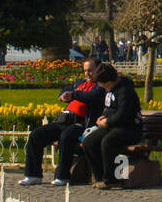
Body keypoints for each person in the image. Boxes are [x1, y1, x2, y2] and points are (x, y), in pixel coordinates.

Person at [21, 57, 106, 186]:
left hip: (81, 123)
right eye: (85, 71)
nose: (87, 74)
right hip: (64, 119)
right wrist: (64, 95)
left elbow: (93, 97)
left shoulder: (100, 85)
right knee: (36, 135)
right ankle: (33, 175)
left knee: (66, 137)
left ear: (98, 70)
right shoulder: (80, 83)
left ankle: (63, 176)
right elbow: (66, 89)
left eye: (90, 70)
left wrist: (74, 95)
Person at [81, 62, 142, 190]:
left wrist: (108, 122)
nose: (101, 86)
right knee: (88, 142)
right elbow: (109, 108)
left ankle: (111, 180)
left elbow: (124, 114)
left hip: (129, 129)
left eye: (102, 83)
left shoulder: (126, 91)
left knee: (107, 142)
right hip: (113, 126)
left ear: (109, 81)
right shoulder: (110, 90)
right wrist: (103, 117)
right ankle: (99, 177)